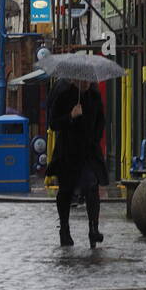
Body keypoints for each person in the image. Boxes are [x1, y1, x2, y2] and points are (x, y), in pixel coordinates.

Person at [47, 79, 108, 248]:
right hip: (68, 152)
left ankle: (93, 229)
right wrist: (70, 116)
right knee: (66, 192)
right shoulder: (64, 96)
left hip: (88, 152)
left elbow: (101, 121)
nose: (86, 83)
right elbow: (53, 124)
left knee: (91, 186)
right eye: (83, 80)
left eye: (89, 80)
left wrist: (95, 138)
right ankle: (64, 229)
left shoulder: (95, 96)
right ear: (74, 79)